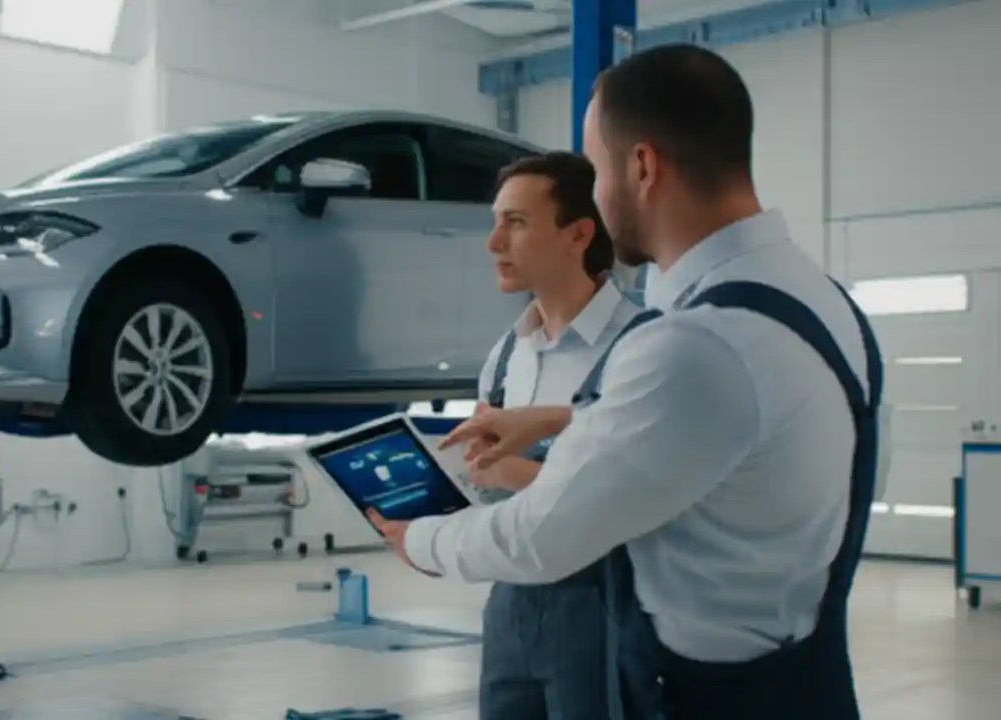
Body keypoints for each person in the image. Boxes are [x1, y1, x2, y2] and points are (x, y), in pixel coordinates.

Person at [369, 43, 885, 720]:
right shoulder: (824, 303)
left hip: (707, 700)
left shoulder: (691, 342)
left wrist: (422, 541)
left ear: (641, 166)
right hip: (804, 683)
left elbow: (540, 536)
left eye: (597, 167)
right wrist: (560, 421)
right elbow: (727, 439)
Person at [463, 152, 643, 719]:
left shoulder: (645, 348)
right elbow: (483, 475)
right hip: (510, 603)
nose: (493, 243)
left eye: (515, 223)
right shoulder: (507, 354)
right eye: (496, 222)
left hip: (605, 610)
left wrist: (514, 472)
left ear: (578, 234)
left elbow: (634, 497)